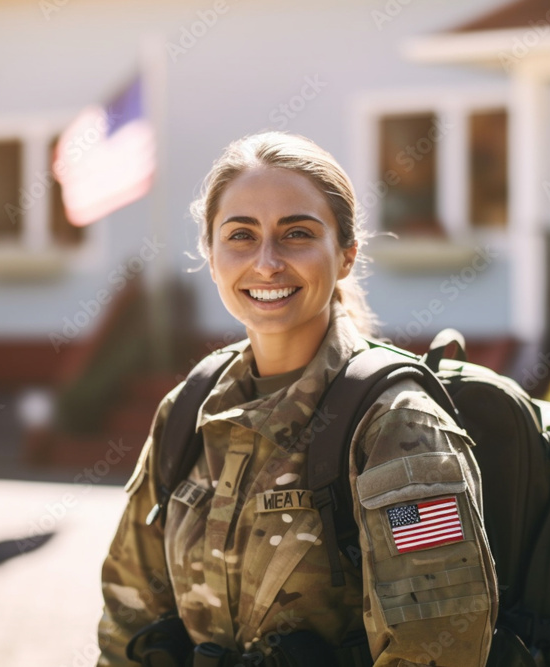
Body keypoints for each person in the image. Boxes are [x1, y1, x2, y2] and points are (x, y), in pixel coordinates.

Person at [95, 131, 497, 667]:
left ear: (347, 253)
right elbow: (129, 617)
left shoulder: (399, 426)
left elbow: (438, 649)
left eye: (297, 234)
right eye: (240, 235)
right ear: (210, 256)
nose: (266, 263)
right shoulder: (188, 411)